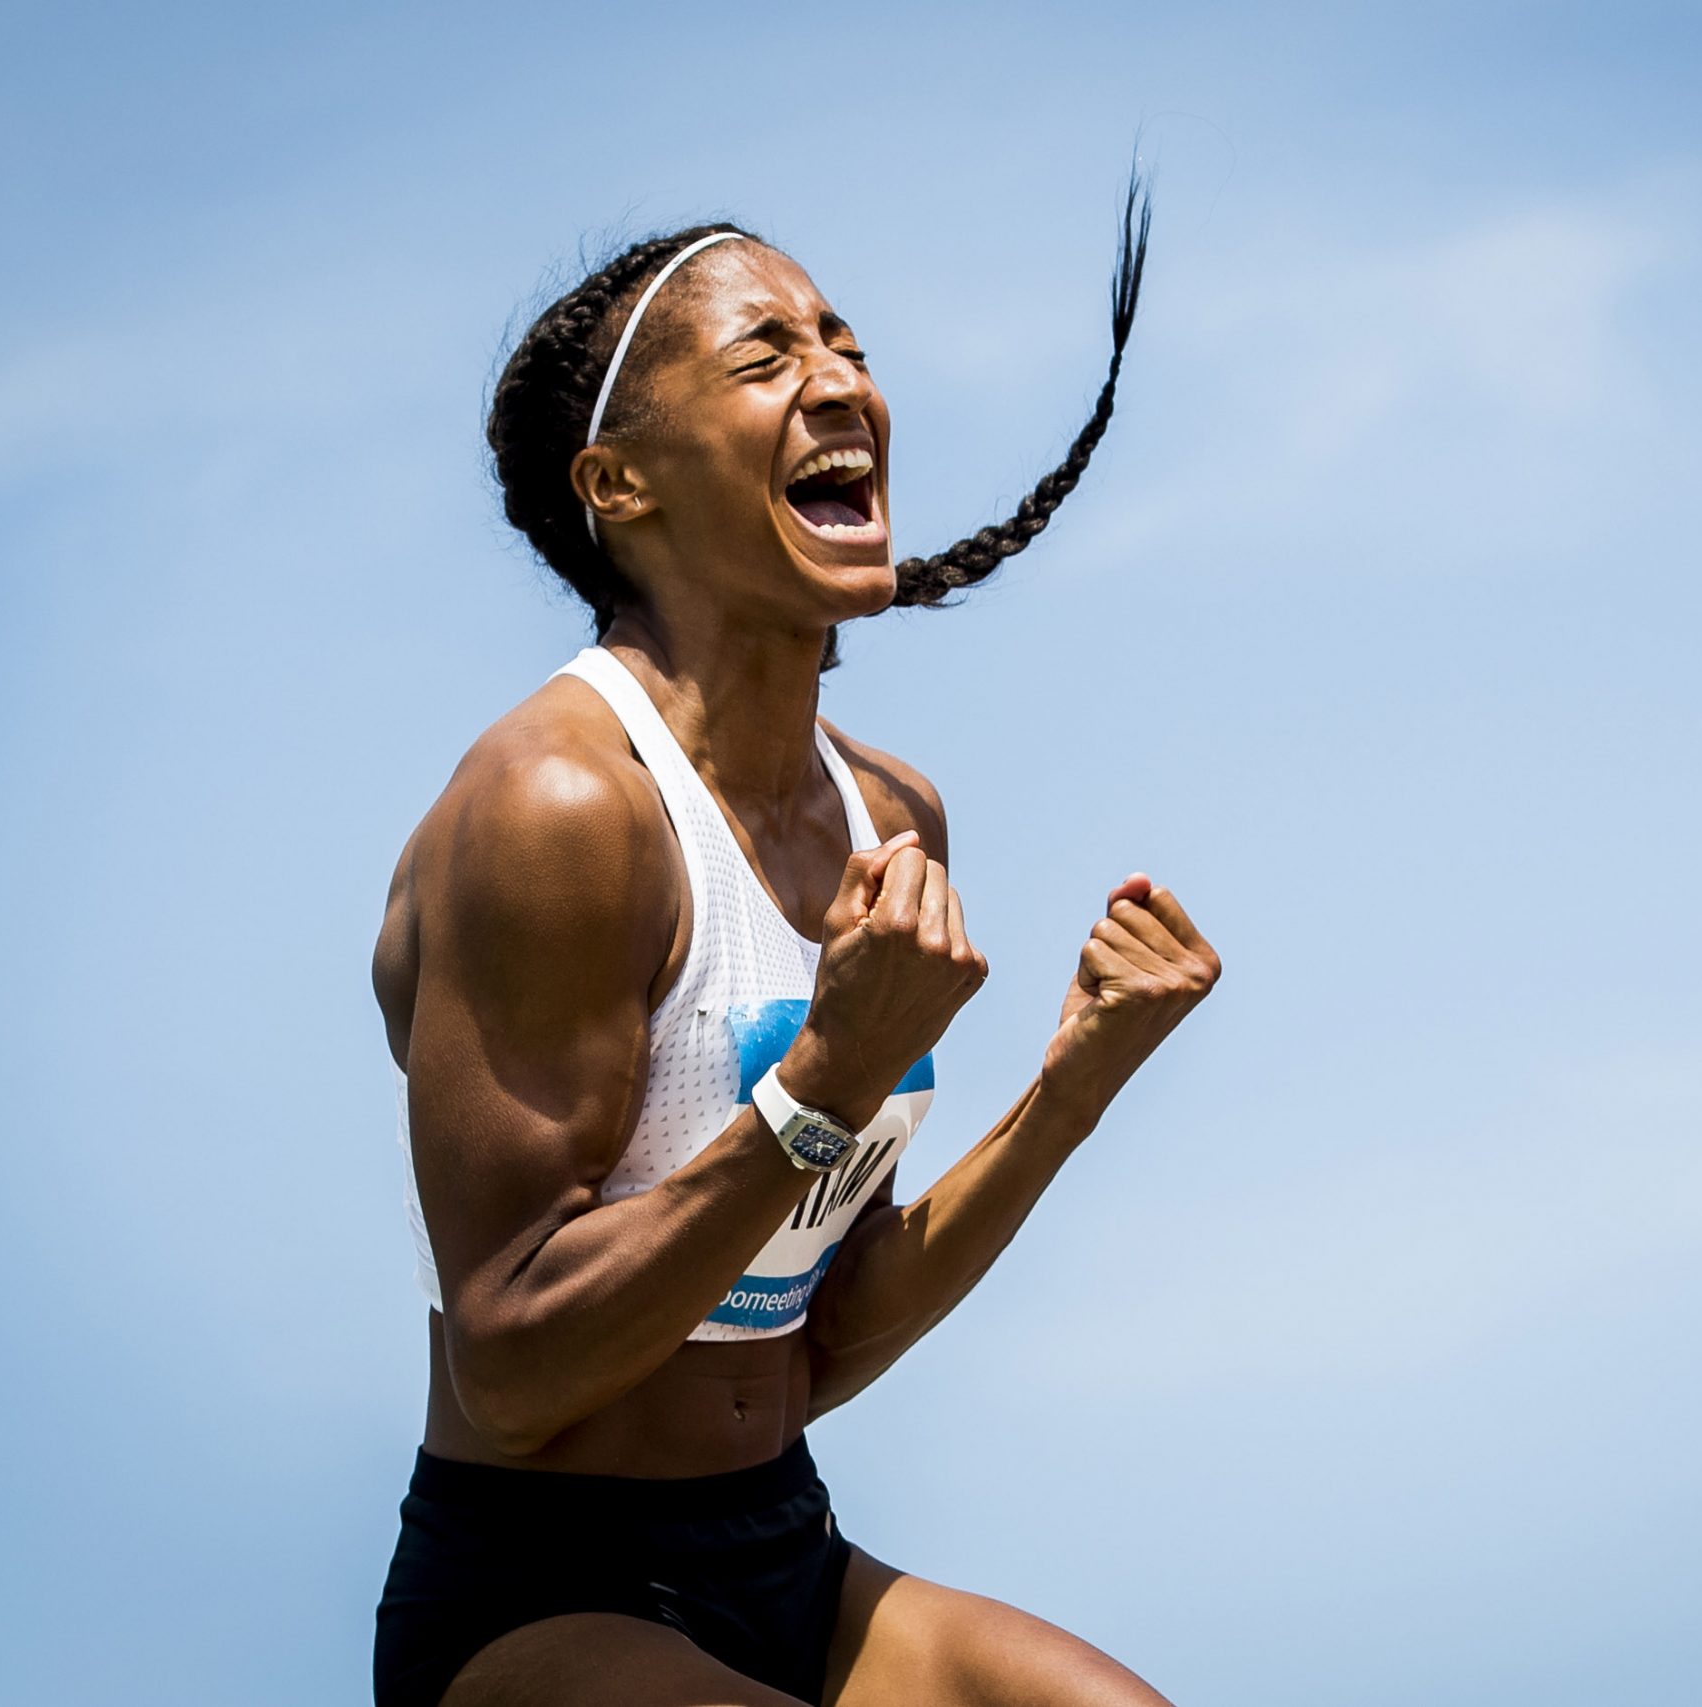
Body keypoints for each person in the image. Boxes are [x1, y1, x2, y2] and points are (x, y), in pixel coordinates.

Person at [368, 179, 1220, 1706]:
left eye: (843, 342)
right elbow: (512, 1370)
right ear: (618, 484)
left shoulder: (889, 810)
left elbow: (825, 1330)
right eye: (766, 359)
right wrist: (826, 1075)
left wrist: (1071, 1089)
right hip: (539, 1602)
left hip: (790, 1555)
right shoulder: (560, 806)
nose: (839, 380)